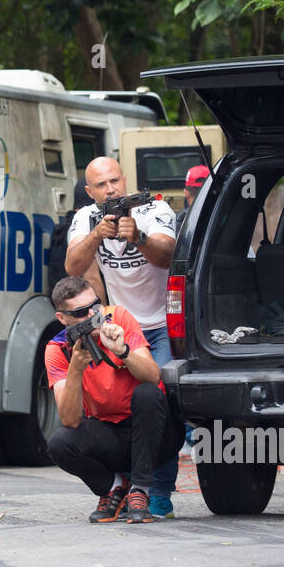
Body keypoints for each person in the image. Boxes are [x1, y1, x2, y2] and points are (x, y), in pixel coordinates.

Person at [64, 156, 181, 518]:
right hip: (120, 325)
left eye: (115, 180)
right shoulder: (85, 218)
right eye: (101, 185)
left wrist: (140, 237)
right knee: (126, 410)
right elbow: (73, 266)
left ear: (124, 179)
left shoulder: (153, 208)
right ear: (90, 191)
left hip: (161, 325)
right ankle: (131, 487)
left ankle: (159, 492)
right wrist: (97, 235)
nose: (111, 189)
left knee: (159, 404)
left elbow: (169, 255)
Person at [44, 276, 184, 524]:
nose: (92, 315)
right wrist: (76, 367)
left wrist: (122, 351)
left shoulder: (118, 316)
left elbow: (153, 376)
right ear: (62, 319)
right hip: (111, 434)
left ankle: (140, 490)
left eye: (95, 306)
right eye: (80, 312)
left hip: (156, 432)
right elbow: (70, 419)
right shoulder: (57, 349)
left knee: (148, 393)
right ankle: (115, 488)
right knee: (60, 443)